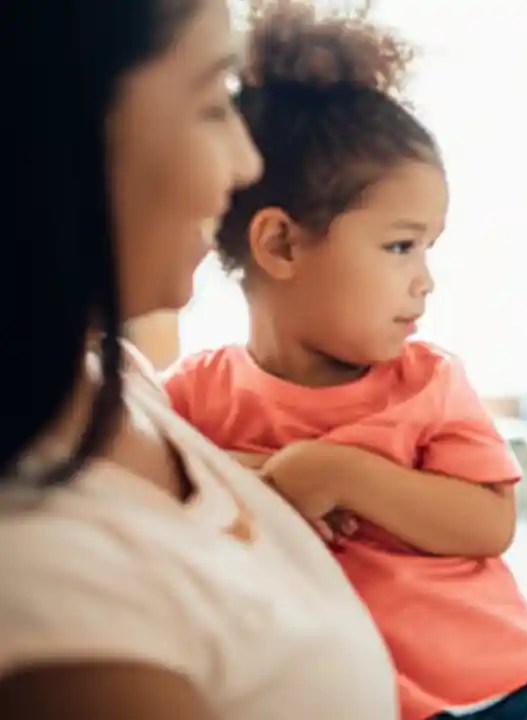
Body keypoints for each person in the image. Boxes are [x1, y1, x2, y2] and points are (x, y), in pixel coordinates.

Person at [162, 3, 527, 719]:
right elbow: (154, 478)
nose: (425, 278)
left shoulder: (428, 381)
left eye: (430, 248)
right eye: (401, 247)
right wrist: (263, 479)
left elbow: (487, 523)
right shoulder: (190, 398)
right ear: (280, 246)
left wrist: (339, 474)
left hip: (516, 691)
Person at [0, 1, 399, 718]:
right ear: (54, 130)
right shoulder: (49, 592)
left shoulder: (124, 388)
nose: (247, 163)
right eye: (214, 104)